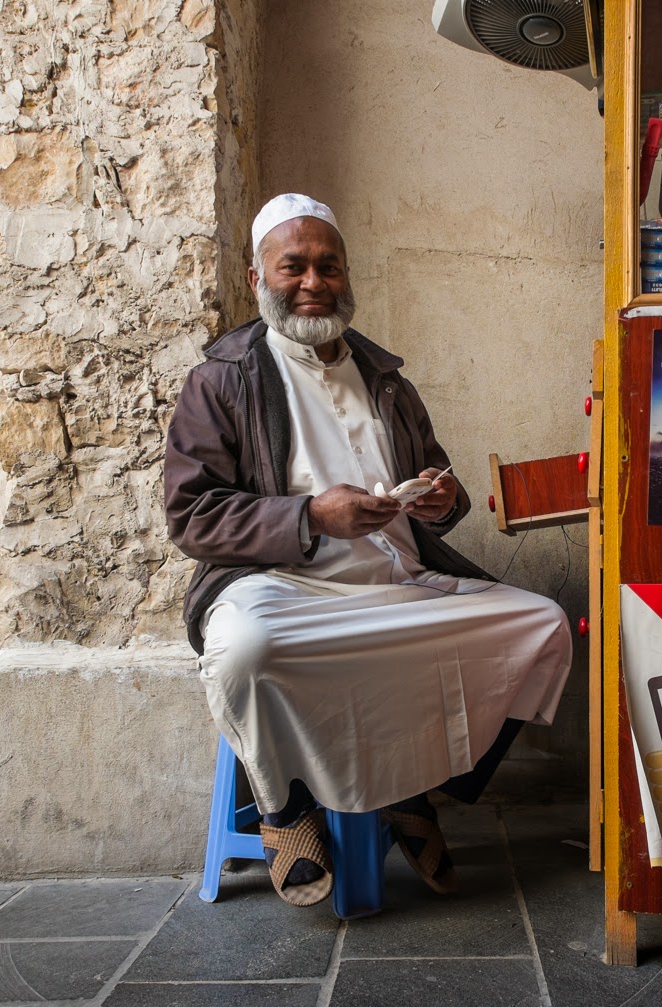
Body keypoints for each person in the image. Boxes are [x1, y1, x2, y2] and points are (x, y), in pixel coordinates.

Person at [164, 194, 572, 907]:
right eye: (293, 266)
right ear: (257, 278)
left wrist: (442, 498)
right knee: (245, 649)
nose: (313, 282)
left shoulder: (386, 378)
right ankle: (286, 806)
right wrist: (311, 516)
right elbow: (192, 515)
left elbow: (438, 476)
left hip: (398, 584)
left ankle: (417, 786)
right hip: (287, 591)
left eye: (329, 266)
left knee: (543, 626)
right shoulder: (223, 380)